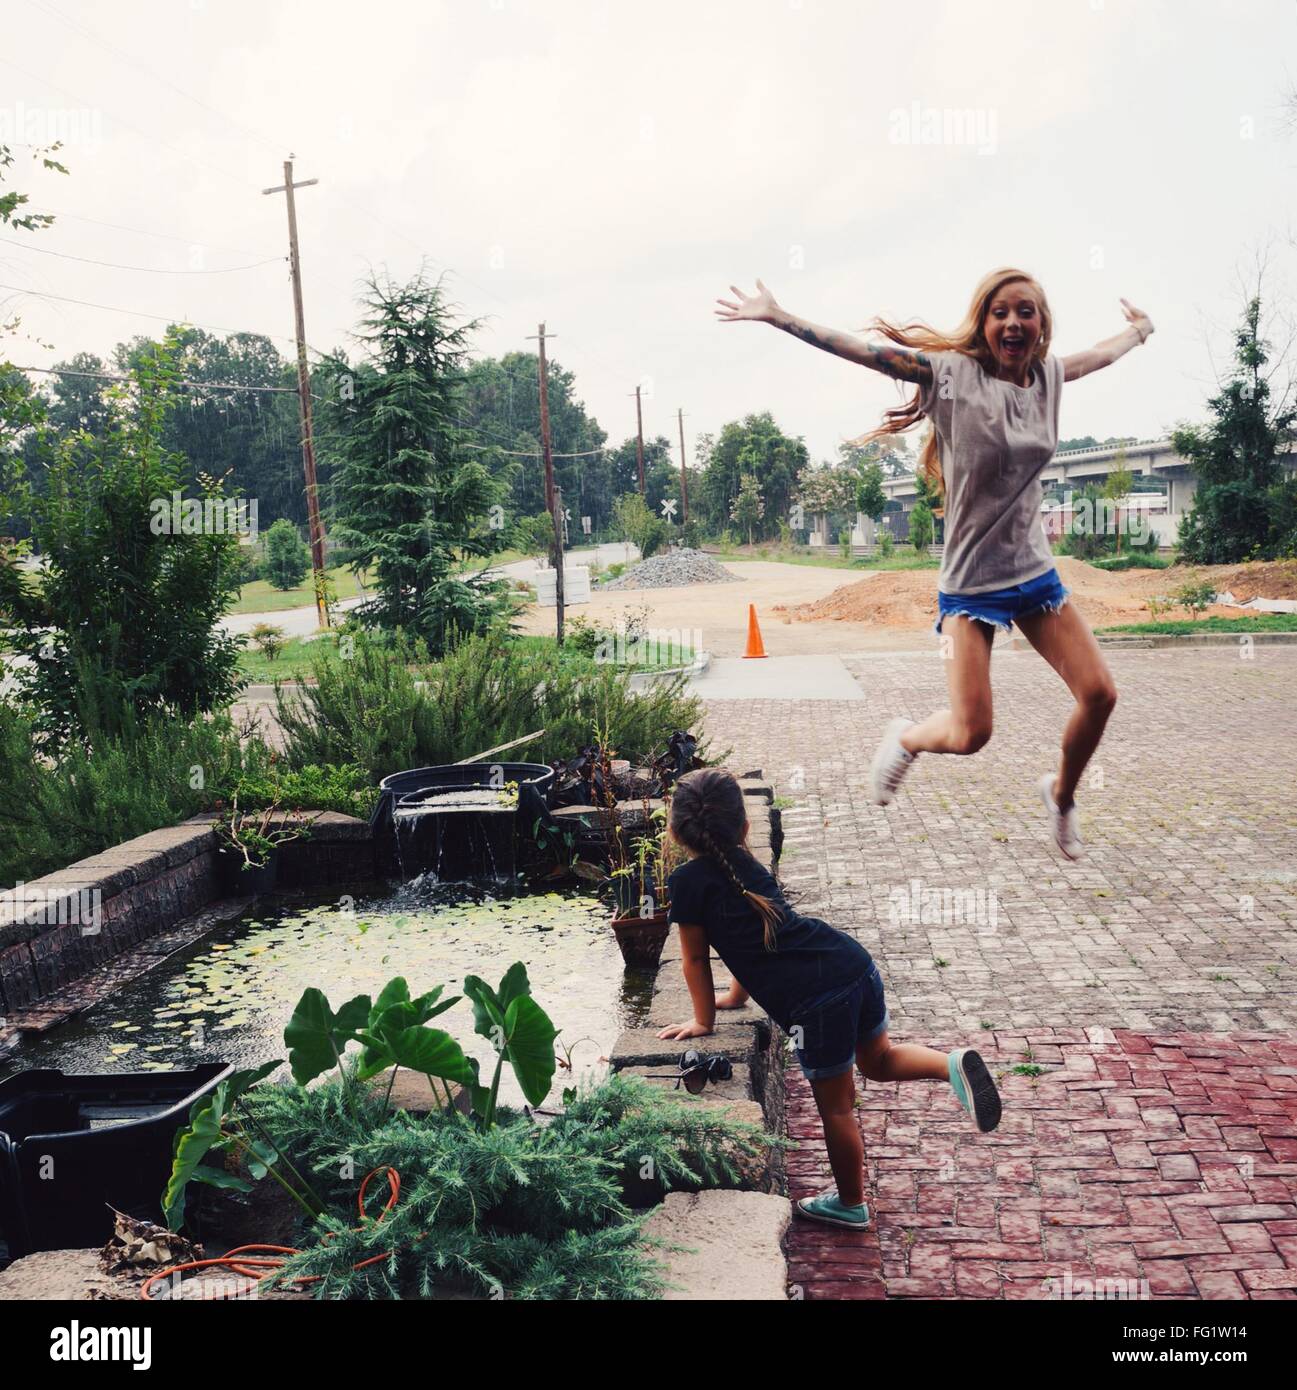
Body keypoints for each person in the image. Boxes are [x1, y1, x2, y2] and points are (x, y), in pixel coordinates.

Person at [715, 269, 1153, 859]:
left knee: (1100, 694)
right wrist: (779, 315)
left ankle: (1063, 795)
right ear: (984, 322)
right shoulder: (952, 376)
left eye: (1025, 312)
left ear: (1041, 325)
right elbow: (870, 353)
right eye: (999, 313)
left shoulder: (1049, 376)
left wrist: (1139, 333)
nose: (1012, 323)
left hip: (1034, 576)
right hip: (970, 586)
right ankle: (908, 737)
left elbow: (1101, 354)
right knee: (972, 733)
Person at [656, 767, 1001, 1229]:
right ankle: (950, 1065)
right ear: (744, 827)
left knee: (837, 1108)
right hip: (851, 962)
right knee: (878, 1061)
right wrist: (737, 995)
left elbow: (696, 960)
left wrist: (704, 1021)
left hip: (819, 1003)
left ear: (677, 831)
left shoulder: (687, 882)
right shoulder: (747, 866)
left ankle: (850, 1203)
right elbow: (759, 936)